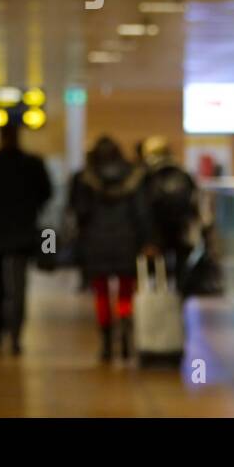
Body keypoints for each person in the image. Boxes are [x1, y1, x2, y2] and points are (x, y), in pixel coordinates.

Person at [0, 121, 52, 356]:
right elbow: (47, 193)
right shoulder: (33, 164)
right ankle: (15, 334)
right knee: (19, 286)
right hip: (23, 234)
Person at [69, 136, 153, 362]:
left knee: (102, 293)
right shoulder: (134, 176)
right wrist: (148, 241)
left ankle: (106, 343)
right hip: (128, 241)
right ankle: (125, 338)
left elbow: (79, 213)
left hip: (95, 242)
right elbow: (141, 212)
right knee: (126, 290)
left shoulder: (85, 178)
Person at [140, 135, 200, 291]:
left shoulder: (147, 175)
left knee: (156, 269)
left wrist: (147, 236)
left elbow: (143, 206)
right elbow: (194, 201)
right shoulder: (182, 173)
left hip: (157, 229)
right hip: (181, 227)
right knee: (181, 266)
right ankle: (179, 297)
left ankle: (160, 300)